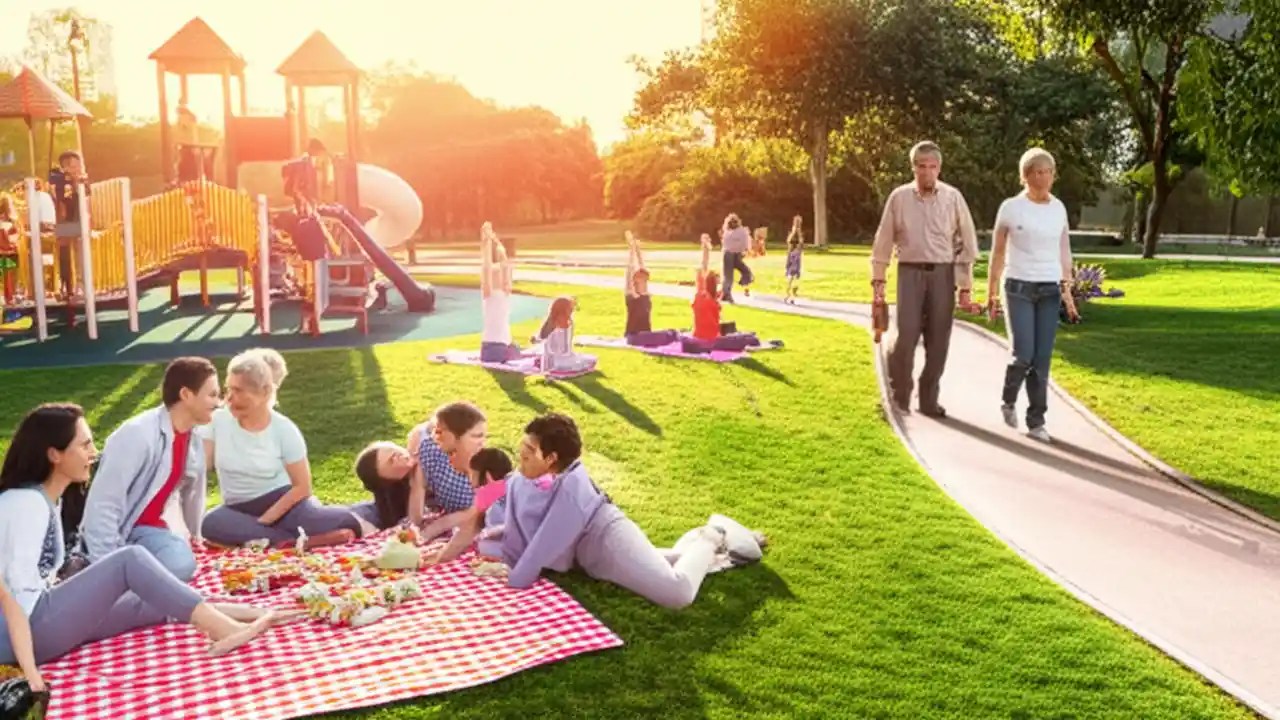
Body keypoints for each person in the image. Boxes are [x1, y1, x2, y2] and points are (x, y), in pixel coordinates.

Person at [0, 403, 296, 688]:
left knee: (142, 599)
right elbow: (15, 600)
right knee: (128, 560)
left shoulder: (45, 500)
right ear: (54, 454)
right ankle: (223, 629)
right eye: (85, 444)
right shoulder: (27, 505)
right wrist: (31, 674)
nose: (94, 452)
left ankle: (236, 613)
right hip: (25, 631)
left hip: (35, 622)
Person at [496, 413, 728, 609]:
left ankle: (710, 537)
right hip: (588, 558)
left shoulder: (572, 489)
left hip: (609, 539)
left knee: (677, 593)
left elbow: (544, 545)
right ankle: (712, 551)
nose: (521, 453)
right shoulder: (522, 476)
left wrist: (515, 580)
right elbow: (503, 492)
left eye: (529, 449)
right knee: (673, 560)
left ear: (550, 459)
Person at [200, 349, 376, 547]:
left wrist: (266, 520)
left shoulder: (284, 429)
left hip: (284, 504)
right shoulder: (216, 421)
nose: (229, 398)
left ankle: (270, 539)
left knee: (341, 520)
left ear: (264, 392)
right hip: (237, 509)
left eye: (238, 391)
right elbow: (200, 465)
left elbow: (303, 486)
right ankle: (300, 541)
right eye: (228, 389)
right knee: (210, 523)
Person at [78, 357, 221, 581]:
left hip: (147, 533)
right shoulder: (138, 434)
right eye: (212, 395)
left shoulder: (193, 438)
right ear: (186, 394)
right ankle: (127, 579)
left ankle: (138, 578)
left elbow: (193, 493)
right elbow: (104, 502)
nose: (218, 402)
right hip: (119, 531)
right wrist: (105, 565)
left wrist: (196, 536)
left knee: (182, 563)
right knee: (176, 566)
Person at [871, 140, 980, 417]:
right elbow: (883, 240)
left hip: (943, 273)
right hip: (909, 272)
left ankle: (929, 400)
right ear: (913, 168)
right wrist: (878, 281)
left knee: (938, 340)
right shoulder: (899, 198)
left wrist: (965, 286)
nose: (927, 172)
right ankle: (899, 395)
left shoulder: (953, 198)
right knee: (905, 335)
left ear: (939, 168)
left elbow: (967, 243)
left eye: (932, 167)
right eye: (922, 167)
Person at [986, 148, 1080, 443]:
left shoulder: (1058, 208)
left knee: (1042, 360)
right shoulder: (1011, 208)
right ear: (1025, 176)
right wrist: (991, 292)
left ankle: (1036, 421)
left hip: (1049, 289)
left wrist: (1068, 293)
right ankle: (1008, 399)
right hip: (1018, 286)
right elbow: (997, 253)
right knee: (1023, 354)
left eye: (1048, 172)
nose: (1044, 178)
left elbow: (1064, 251)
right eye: (1038, 172)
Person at [353, 401, 489, 528]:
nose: (398, 457)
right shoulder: (416, 478)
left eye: (393, 451)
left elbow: (441, 423)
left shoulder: (421, 439)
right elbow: (416, 519)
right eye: (391, 462)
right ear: (394, 479)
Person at [419, 447, 515, 565]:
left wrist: (438, 559)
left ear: (487, 476)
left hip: (502, 558)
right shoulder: (514, 484)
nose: (470, 482)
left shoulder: (492, 490)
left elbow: (467, 532)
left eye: (472, 475)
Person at [685, 238, 762, 354]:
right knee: (747, 338)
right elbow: (710, 272)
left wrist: (706, 249)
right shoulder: (713, 298)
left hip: (699, 336)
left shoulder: (700, 295)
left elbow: (704, 267)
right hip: (713, 339)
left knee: (741, 336)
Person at [623, 231, 680, 347]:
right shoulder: (632, 295)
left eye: (645, 280)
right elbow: (630, 270)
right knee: (667, 335)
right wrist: (632, 250)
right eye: (642, 280)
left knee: (670, 333)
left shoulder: (646, 295)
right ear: (636, 281)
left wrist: (638, 249)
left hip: (646, 335)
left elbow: (642, 266)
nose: (645, 282)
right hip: (634, 337)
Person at [48, 151, 91, 299]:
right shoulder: (57, 178)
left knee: (81, 253)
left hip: (79, 219)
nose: (76, 169)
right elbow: (52, 184)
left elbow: (87, 193)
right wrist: (67, 178)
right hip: (64, 220)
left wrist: (77, 181)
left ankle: (82, 285)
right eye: (72, 165)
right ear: (64, 166)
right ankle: (67, 287)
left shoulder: (82, 180)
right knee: (64, 254)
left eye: (77, 165)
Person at [479, 223, 521, 363]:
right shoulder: (501, 292)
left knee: (516, 347)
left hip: (487, 350)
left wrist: (488, 240)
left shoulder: (489, 294)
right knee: (517, 349)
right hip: (499, 349)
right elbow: (499, 265)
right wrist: (490, 241)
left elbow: (488, 266)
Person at [533, 296, 597, 375]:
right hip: (560, 359)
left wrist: (536, 338)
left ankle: (547, 364)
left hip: (552, 358)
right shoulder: (562, 322)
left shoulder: (553, 321)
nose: (572, 309)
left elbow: (541, 337)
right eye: (570, 307)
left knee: (588, 359)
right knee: (589, 360)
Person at [720, 213, 754, 302]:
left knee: (728, 276)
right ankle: (727, 293)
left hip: (728, 254)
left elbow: (725, 244)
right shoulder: (741, 231)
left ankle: (726, 293)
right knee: (742, 272)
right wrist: (745, 251)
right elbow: (745, 244)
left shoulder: (727, 232)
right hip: (734, 254)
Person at [784, 216, 804, 305]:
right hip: (793, 256)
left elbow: (799, 243)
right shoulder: (794, 233)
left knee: (792, 278)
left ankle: (790, 295)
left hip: (794, 256)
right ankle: (790, 295)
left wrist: (796, 231)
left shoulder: (797, 233)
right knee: (792, 278)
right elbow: (790, 242)